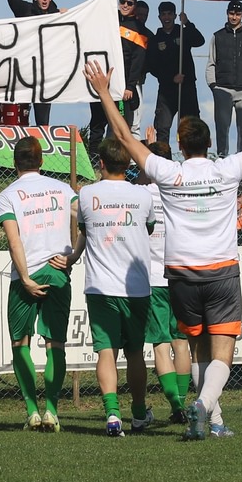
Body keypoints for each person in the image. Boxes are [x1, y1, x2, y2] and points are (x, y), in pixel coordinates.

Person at [87, 52, 242, 440]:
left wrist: (105, 93)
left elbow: (124, 137)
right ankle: (204, 406)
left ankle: (212, 415)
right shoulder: (227, 170)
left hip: (180, 274)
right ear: (210, 144)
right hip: (221, 269)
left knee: (195, 347)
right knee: (222, 350)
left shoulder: (168, 173)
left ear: (179, 143)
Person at [0, 136, 81, 432]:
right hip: (57, 271)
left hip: (27, 274)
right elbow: (87, 218)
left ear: (14, 162)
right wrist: (74, 254)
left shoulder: (8, 194)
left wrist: (25, 277)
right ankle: (53, 410)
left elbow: (14, 239)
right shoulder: (61, 189)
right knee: (55, 342)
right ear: (41, 161)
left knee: (20, 342)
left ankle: (32, 410)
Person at [76, 135, 155, 439]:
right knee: (135, 353)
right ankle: (137, 412)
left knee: (105, 351)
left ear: (101, 163)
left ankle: (112, 414)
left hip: (100, 287)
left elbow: (84, 229)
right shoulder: (144, 195)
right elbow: (147, 228)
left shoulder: (86, 195)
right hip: (136, 287)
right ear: (129, 164)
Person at [131, 153, 193, 428]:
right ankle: (181, 400)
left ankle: (176, 405)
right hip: (181, 275)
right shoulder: (181, 193)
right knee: (182, 343)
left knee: (160, 345)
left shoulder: (141, 194)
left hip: (154, 279)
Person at [88, 0, 149, 153]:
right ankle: (94, 159)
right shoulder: (110, 18)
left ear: (135, 5)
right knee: (97, 122)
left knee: (121, 124)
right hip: (102, 80)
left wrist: (130, 86)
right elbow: (90, 17)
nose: (125, 5)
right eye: (122, 1)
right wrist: (101, 0)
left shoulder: (140, 30)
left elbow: (138, 61)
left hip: (122, 87)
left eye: (129, 3)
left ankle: (118, 160)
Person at [206, 0, 242, 157]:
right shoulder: (217, 36)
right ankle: (222, 159)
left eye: (237, 14)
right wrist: (214, 86)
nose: (234, 17)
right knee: (222, 127)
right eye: (232, 13)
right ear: (227, 13)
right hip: (223, 89)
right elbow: (211, 63)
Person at [6, 0, 59, 124]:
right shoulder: (26, 9)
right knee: (20, 112)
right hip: (25, 69)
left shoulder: (56, 14)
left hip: (45, 72)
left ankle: (42, 143)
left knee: (42, 116)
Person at [146, 2, 206, 141]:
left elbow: (199, 40)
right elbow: (152, 66)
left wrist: (187, 23)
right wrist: (171, 78)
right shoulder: (155, 40)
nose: (167, 17)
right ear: (159, 17)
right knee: (162, 126)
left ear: (174, 15)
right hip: (167, 89)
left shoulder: (183, 32)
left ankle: (192, 159)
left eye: (169, 14)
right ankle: (164, 159)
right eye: (163, 14)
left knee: (191, 126)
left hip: (187, 87)